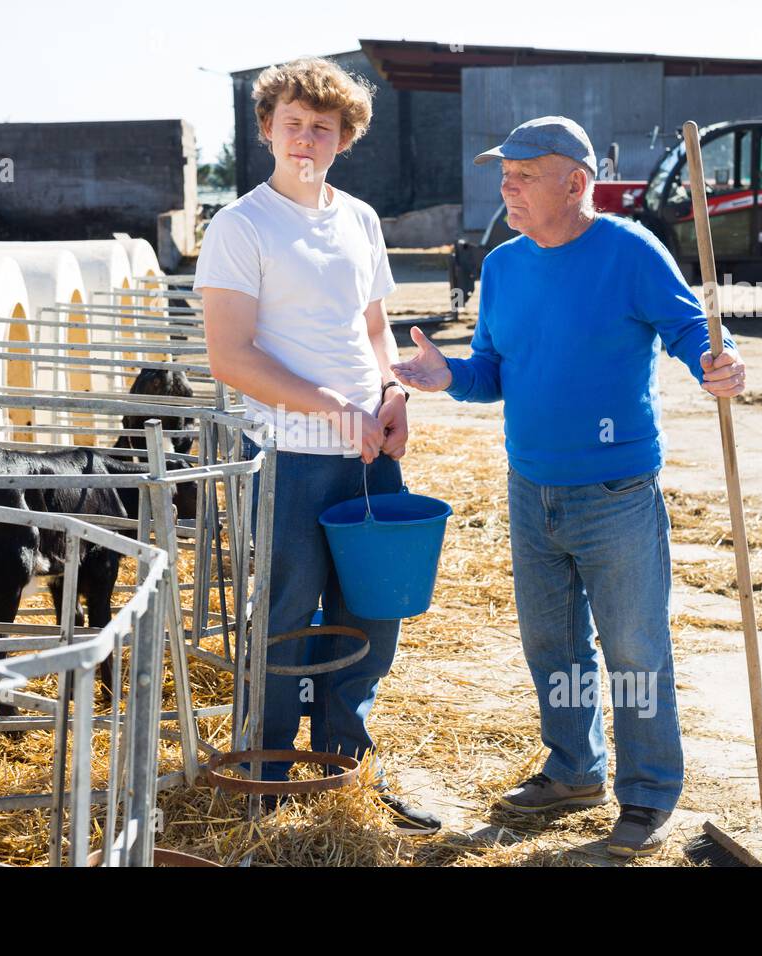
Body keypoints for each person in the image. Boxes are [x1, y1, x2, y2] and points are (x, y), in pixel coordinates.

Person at [393, 116, 747, 856]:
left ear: (576, 184)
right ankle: (573, 769)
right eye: (505, 173)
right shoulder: (504, 266)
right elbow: (490, 369)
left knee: (634, 649)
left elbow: (691, 331)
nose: (506, 186)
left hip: (615, 490)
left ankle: (648, 796)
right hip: (531, 487)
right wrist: (447, 375)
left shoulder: (629, 251)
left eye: (524, 175)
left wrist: (721, 362)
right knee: (551, 644)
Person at [195, 56, 440, 834]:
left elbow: (372, 331)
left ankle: (345, 769)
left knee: (372, 614)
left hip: (369, 451)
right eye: (292, 123)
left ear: (344, 139)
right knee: (288, 617)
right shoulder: (241, 226)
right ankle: (267, 781)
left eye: (322, 128)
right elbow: (230, 356)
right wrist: (333, 406)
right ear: (267, 128)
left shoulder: (360, 220)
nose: (305, 138)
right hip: (293, 452)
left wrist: (392, 392)